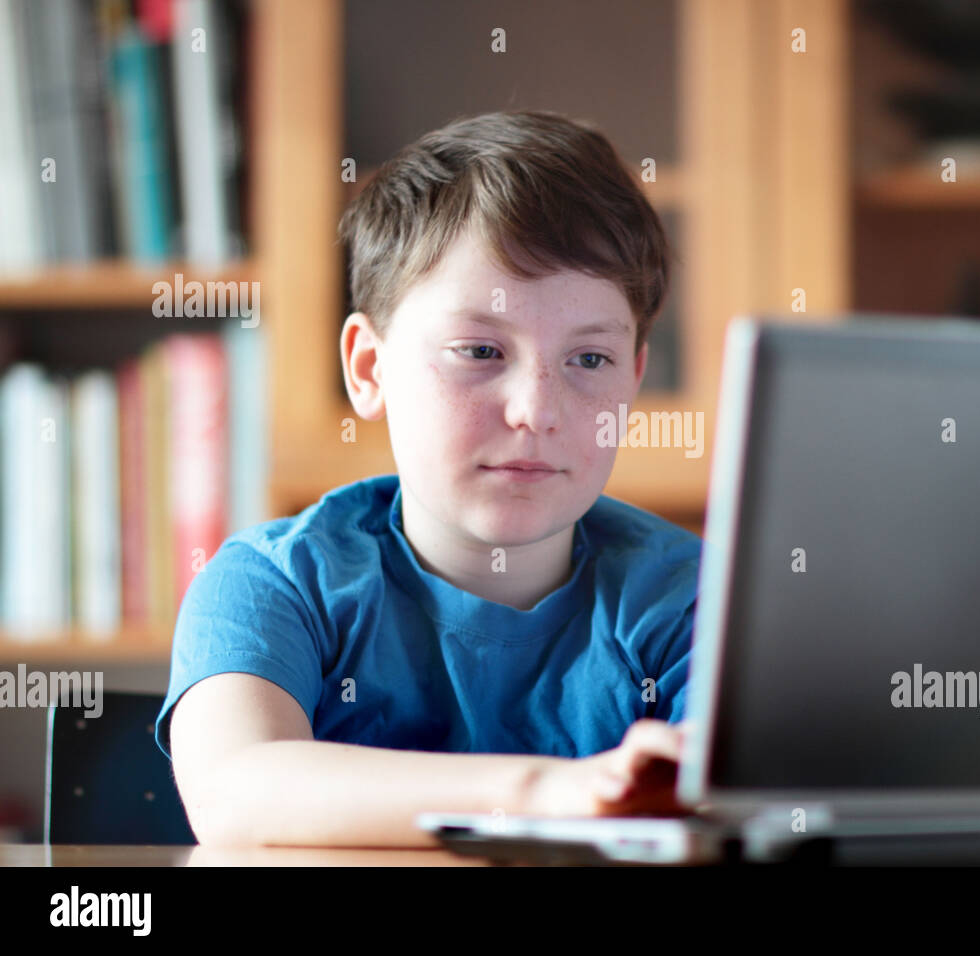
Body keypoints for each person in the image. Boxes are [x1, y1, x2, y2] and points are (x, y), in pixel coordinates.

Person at [157, 110, 700, 847]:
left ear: (634, 376)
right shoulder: (274, 583)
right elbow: (232, 792)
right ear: (368, 367)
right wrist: (547, 792)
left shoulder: (697, 597)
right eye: (479, 350)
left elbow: (751, 798)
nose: (536, 409)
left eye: (590, 359)